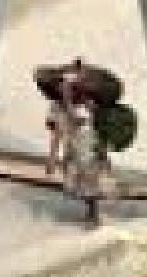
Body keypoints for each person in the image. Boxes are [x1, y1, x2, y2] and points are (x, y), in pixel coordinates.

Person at [43, 59, 110, 228]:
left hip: (89, 148)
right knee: (80, 181)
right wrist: (52, 158)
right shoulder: (57, 108)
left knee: (92, 179)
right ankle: (91, 210)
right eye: (62, 87)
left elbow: (98, 125)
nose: (65, 90)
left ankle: (93, 212)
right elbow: (57, 133)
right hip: (74, 150)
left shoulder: (87, 103)